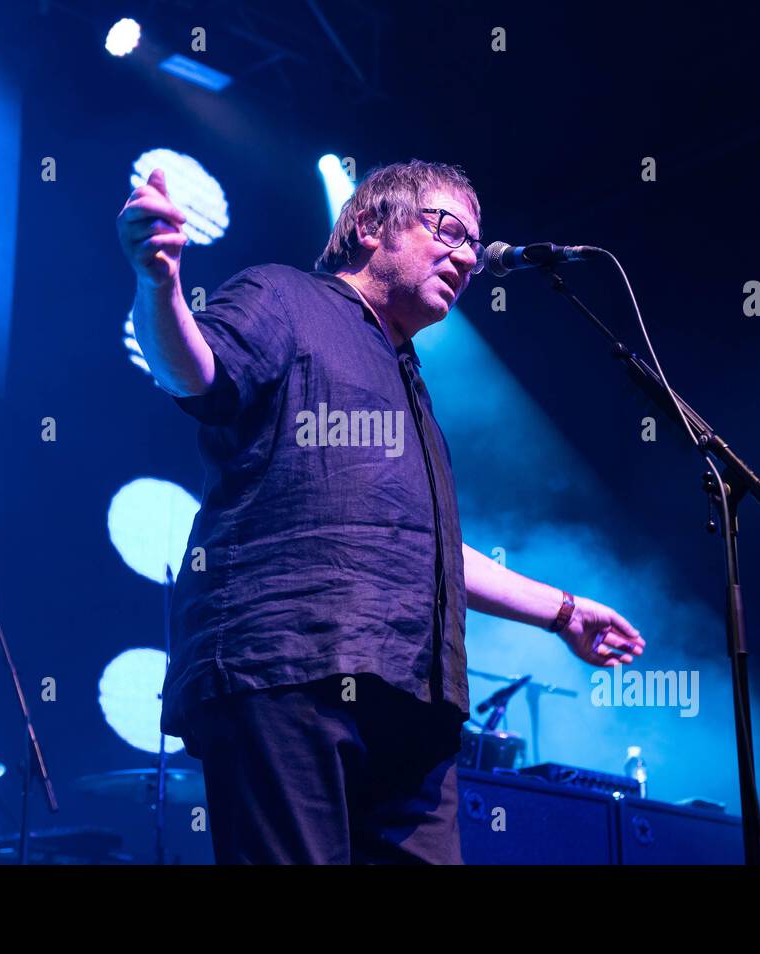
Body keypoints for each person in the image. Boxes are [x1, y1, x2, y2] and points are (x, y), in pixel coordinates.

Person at [117, 159, 644, 864]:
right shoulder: (284, 296)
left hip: (413, 699)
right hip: (288, 668)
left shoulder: (410, 380)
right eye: (447, 230)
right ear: (369, 225)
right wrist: (159, 283)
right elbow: (197, 371)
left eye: (472, 245)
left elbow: (436, 551)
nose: (465, 258)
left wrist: (561, 610)